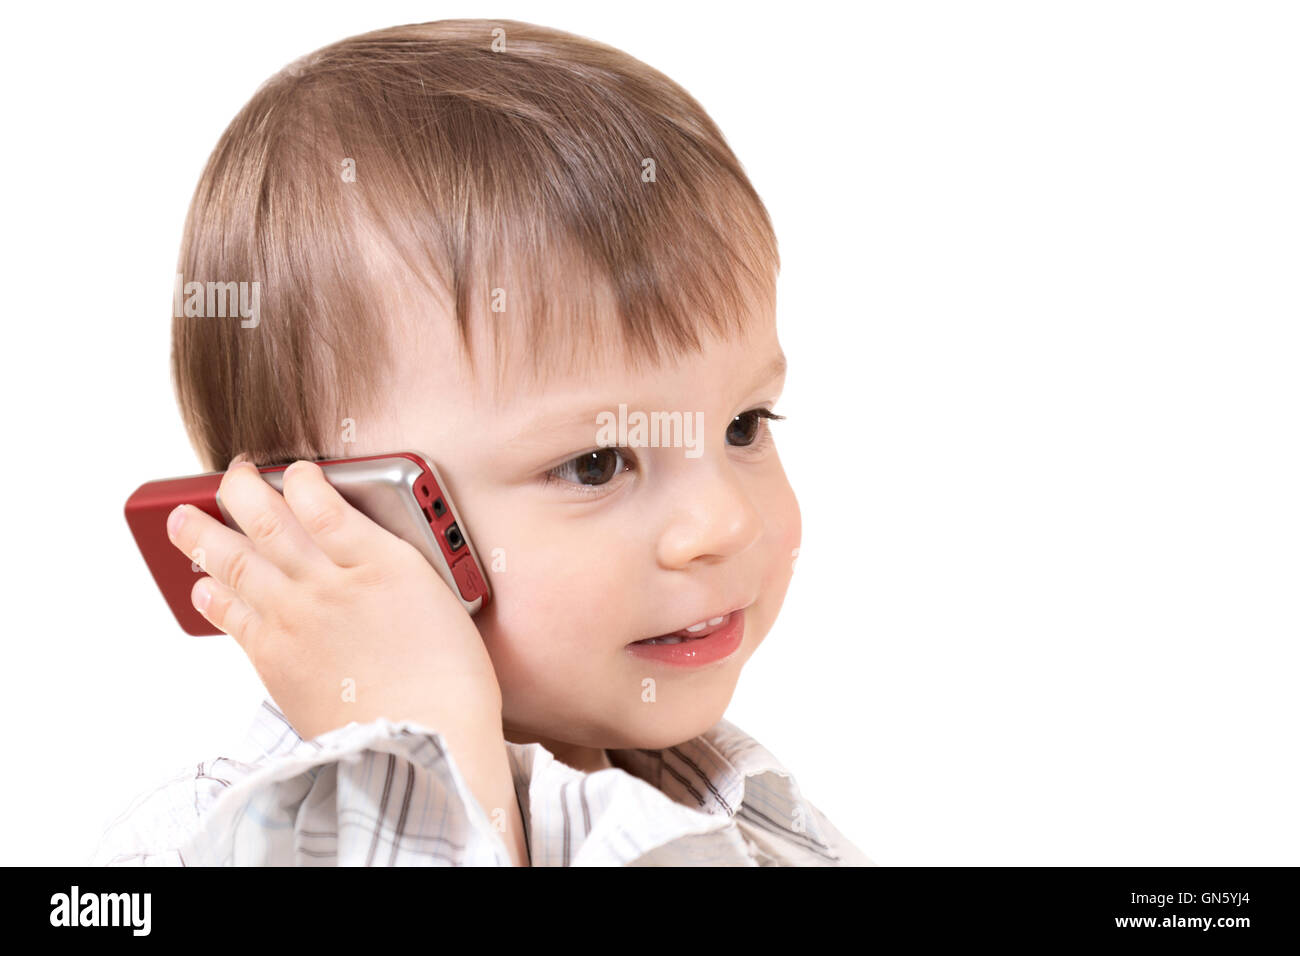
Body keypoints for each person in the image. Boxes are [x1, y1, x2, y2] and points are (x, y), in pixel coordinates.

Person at [92, 18, 873, 866]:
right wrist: (432, 748)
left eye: (743, 425)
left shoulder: (752, 816)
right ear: (327, 515)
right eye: (595, 463)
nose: (725, 524)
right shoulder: (213, 843)